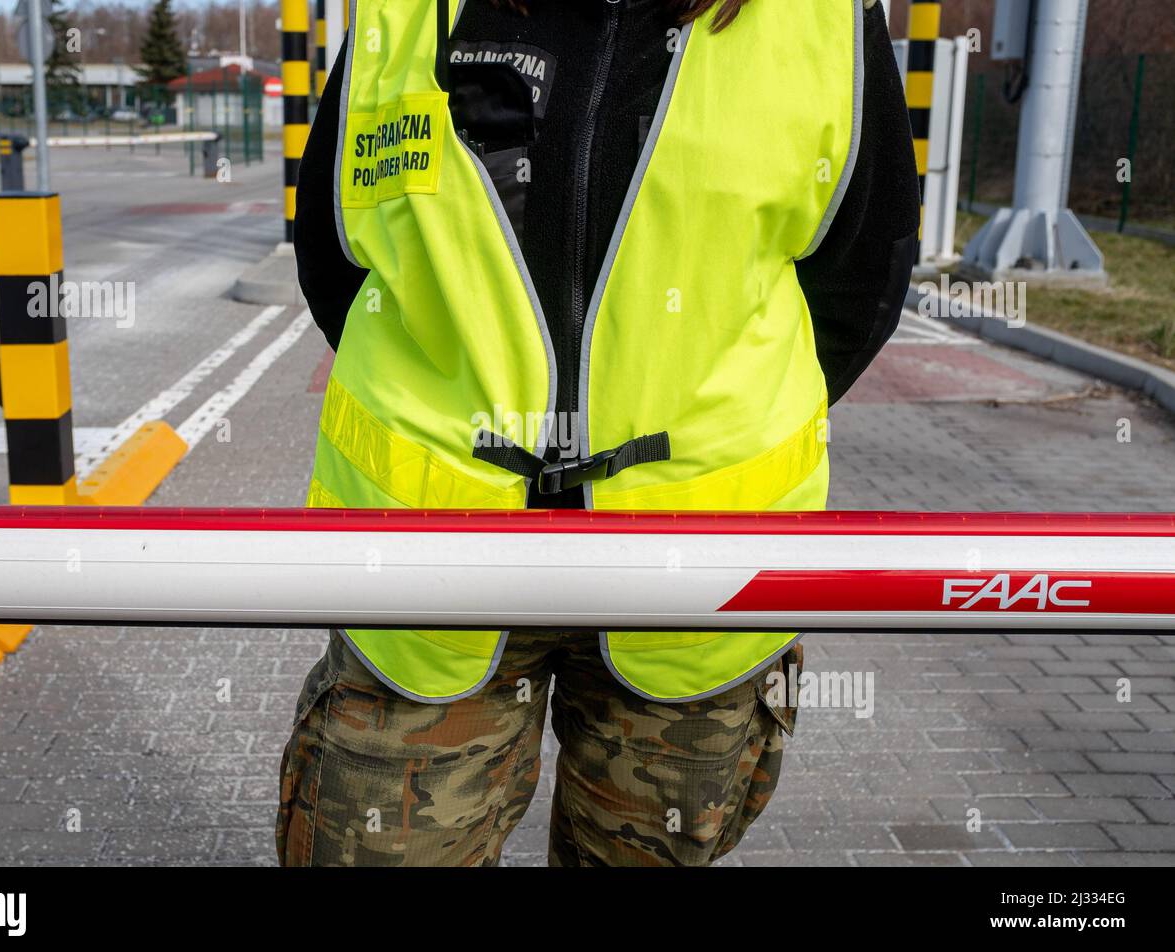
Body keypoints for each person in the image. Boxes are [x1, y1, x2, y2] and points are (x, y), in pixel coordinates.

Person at [280, 0, 918, 867]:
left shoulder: (822, 19)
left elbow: (860, 278)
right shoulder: (404, 11)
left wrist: (696, 433)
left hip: (691, 584)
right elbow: (339, 254)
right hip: (430, 577)